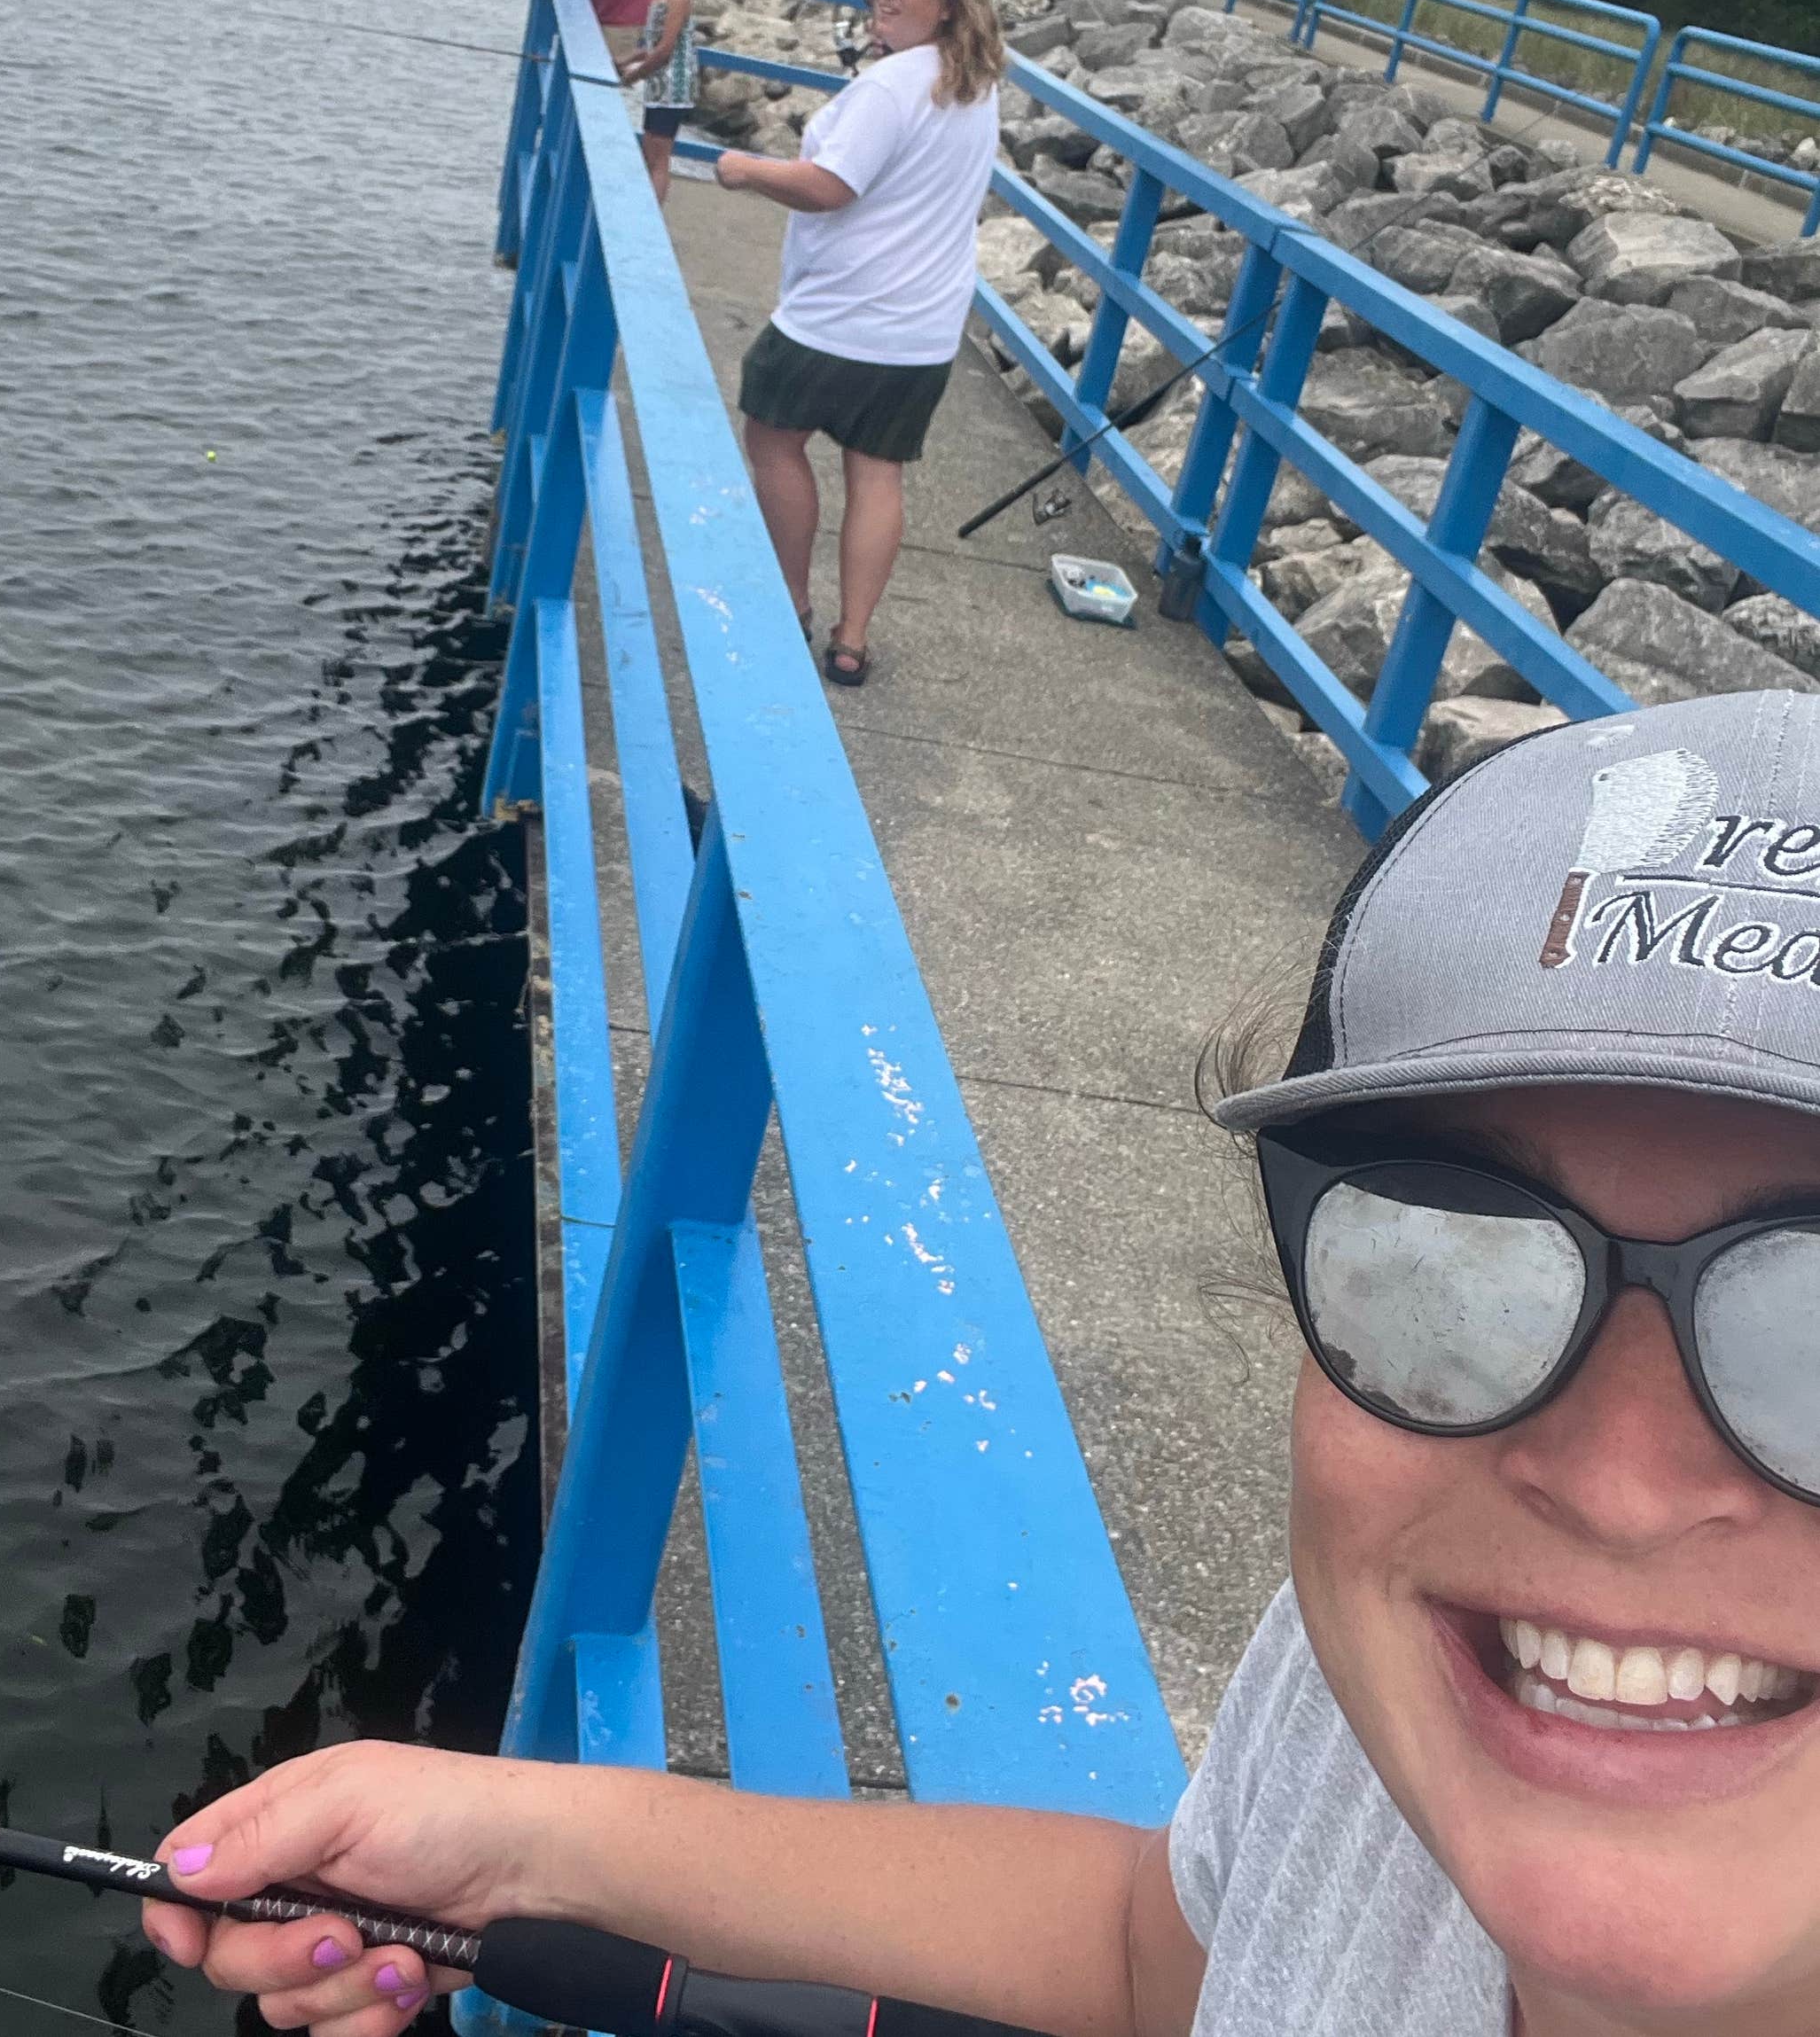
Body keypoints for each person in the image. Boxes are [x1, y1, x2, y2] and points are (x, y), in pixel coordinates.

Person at [144, 685, 1820, 2033]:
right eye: (1443, 1258)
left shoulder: (1487, 1623)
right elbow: (1149, 1954)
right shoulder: (1429, 1675)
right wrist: (529, 1840)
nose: (1609, 1486)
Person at [713, 0, 1001, 687]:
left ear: (949, 1)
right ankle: (851, 641)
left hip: (839, 317)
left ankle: (790, 603)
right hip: (922, 331)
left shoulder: (889, 86)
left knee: (772, 440)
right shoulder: (974, 81)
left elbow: (829, 187)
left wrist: (744, 169)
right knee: (877, 471)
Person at [617, 0, 696, 207]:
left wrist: (634, 76)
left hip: (673, 87)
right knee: (649, 150)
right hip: (657, 85)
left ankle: (649, 214)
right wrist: (626, 61)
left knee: (658, 158)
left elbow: (665, 50)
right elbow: (653, 45)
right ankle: (643, 207)